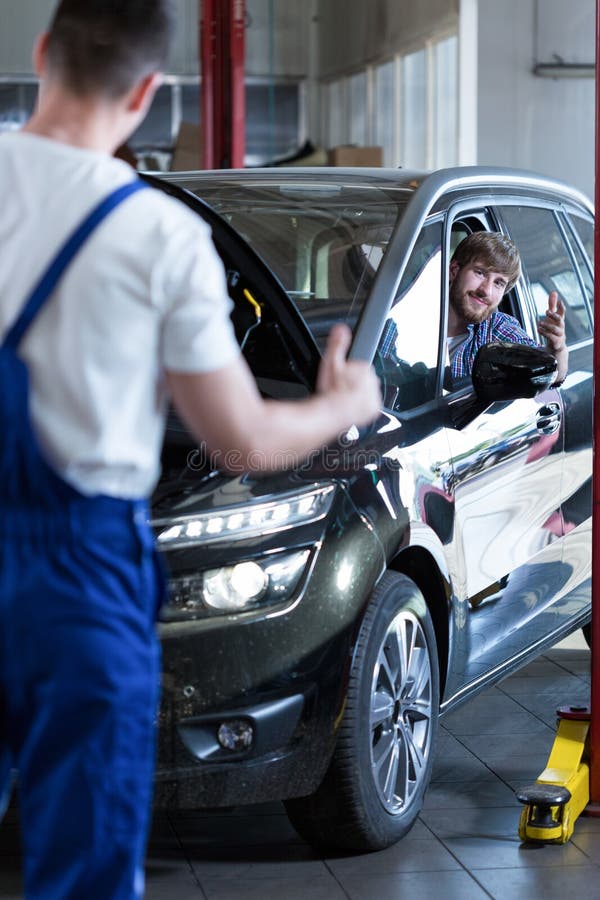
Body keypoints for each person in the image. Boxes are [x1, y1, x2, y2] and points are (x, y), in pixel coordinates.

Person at [0, 2, 381, 898]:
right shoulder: (159, 234)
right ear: (146, 92)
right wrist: (340, 405)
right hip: (77, 577)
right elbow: (239, 435)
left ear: (43, 52)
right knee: (81, 864)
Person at [448, 231, 568, 384]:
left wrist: (557, 349)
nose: (486, 290)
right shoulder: (413, 306)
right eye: (480, 273)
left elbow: (550, 373)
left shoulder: (497, 328)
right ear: (454, 270)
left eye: (498, 283)